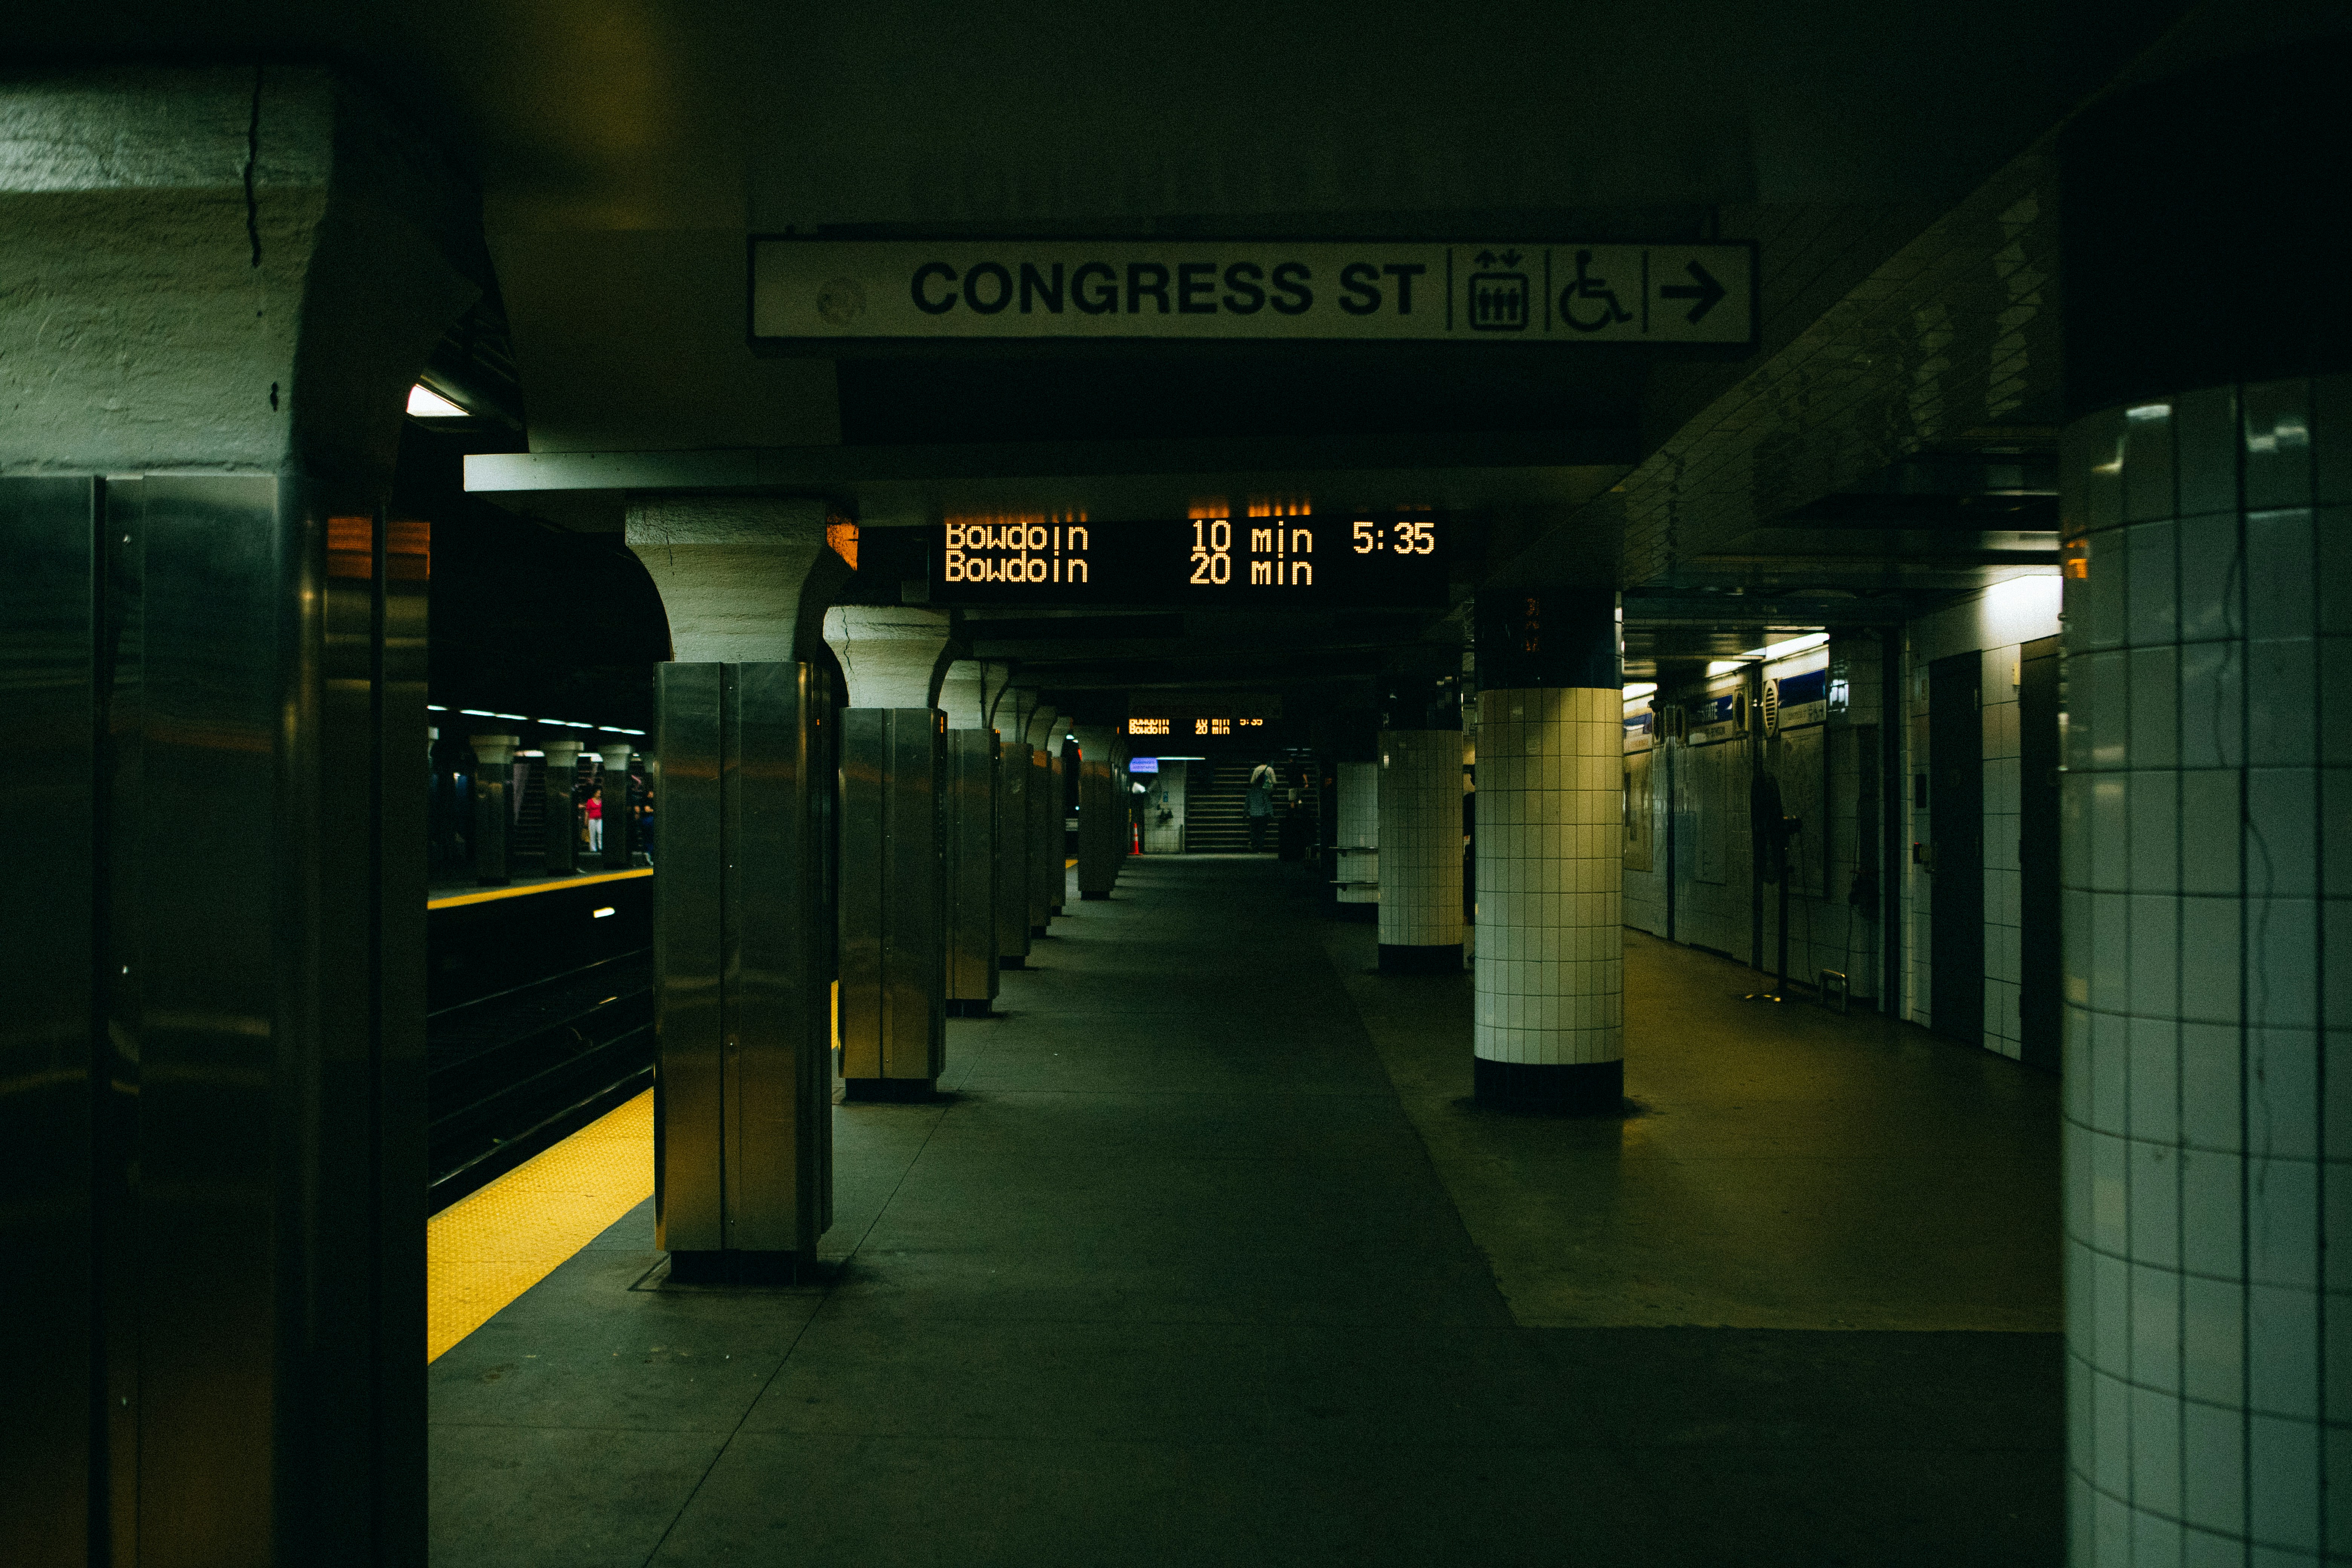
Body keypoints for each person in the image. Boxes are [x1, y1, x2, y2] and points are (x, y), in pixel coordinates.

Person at [1245, 761, 1276, 852]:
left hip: (1253, 814)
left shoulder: (1251, 791)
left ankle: (1254, 845)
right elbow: (1267, 803)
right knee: (1262, 831)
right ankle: (1260, 847)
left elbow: (1247, 803)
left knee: (1254, 830)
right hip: (1262, 814)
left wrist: (1245, 813)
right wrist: (1271, 813)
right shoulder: (1264, 792)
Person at [583, 784, 603, 852]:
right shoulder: (590, 801)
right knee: (592, 834)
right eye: (598, 793)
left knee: (600, 832)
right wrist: (586, 821)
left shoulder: (601, 801)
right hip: (592, 819)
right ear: (595, 794)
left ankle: (601, 847)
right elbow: (587, 812)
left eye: (600, 793)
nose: (599, 795)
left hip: (600, 819)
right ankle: (593, 849)